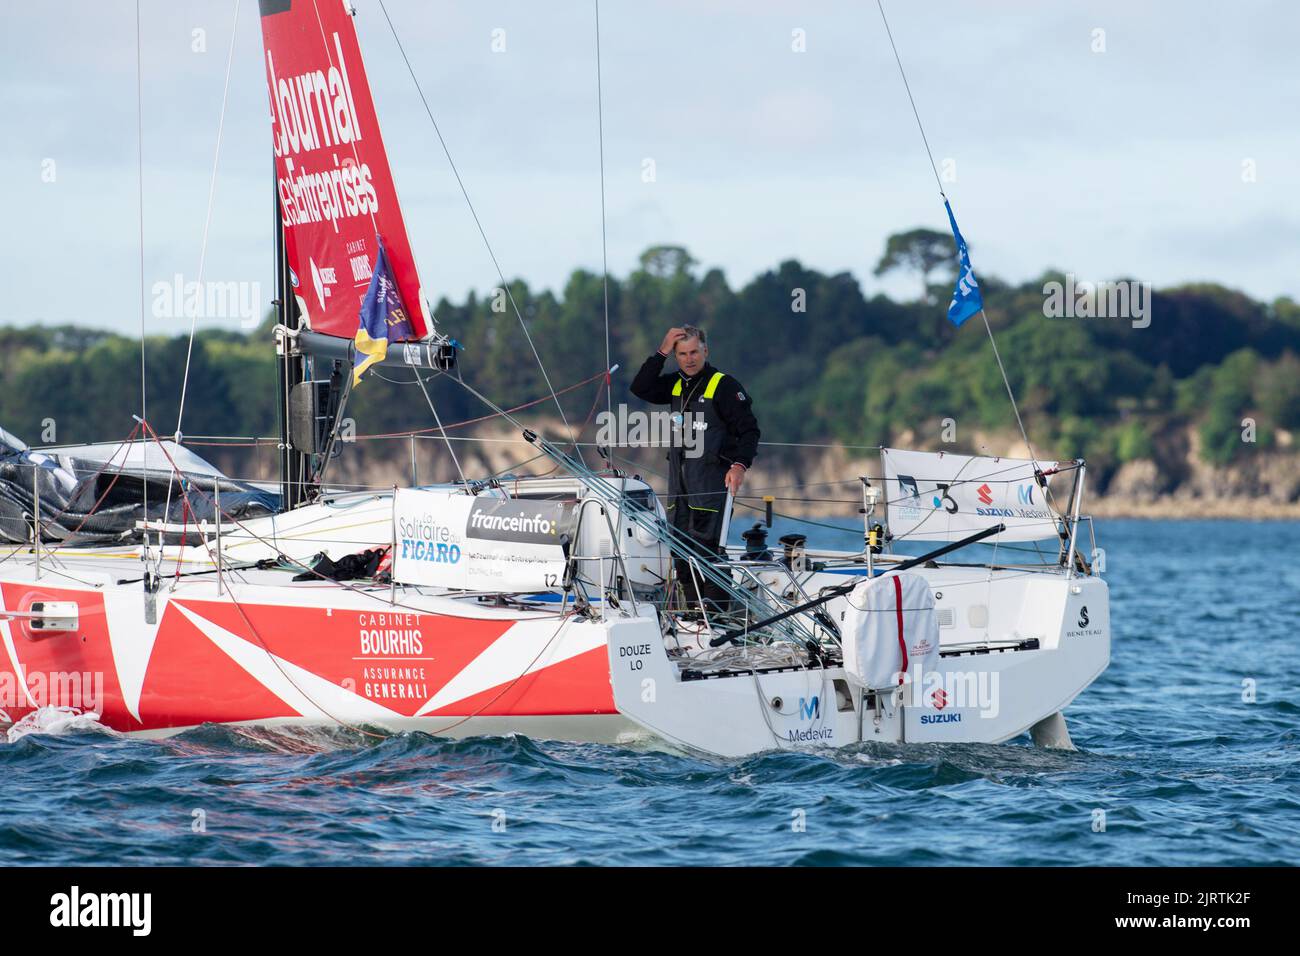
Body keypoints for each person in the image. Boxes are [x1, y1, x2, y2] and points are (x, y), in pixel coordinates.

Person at [630, 325, 759, 612]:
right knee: (681, 555)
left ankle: (717, 620)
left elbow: (750, 431)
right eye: (682, 354)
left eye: (694, 352)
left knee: (708, 555)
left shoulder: (724, 385)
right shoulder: (675, 383)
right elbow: (640, 387)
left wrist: (739, 465)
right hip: (679, 486)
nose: (689, 359)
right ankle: (694, 619)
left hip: (712, 483)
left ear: (705, 351)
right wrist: (661, 351)